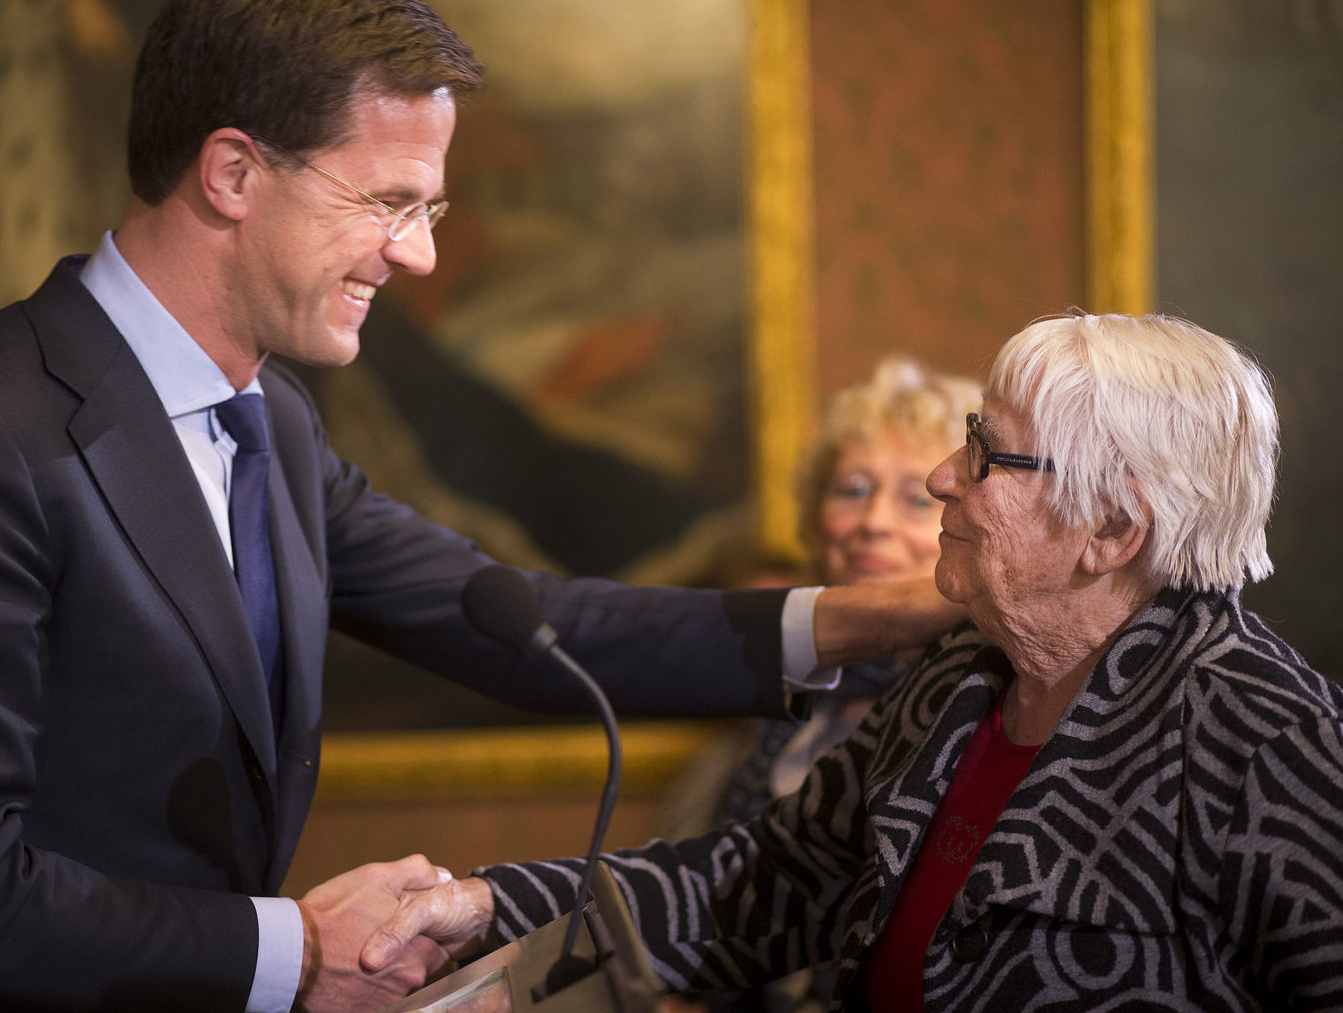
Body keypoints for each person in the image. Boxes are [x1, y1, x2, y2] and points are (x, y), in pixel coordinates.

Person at [0, 0, 962, 1011]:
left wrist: (877, 616)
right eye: (389, 202)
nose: (417, 257)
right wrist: (298, 951)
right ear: (233, 174)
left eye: (431, 212)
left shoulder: (277, 421)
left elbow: (518, 621)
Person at [376, 313, 1343, 1010]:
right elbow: (764, 884)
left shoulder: (1268, 738)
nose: (942, 477)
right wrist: (492, 904)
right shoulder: (961, 678)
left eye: (988, 454)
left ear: (1112, 529)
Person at [669, 357, 980, 1013]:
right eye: (852, 489)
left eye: (916, 498)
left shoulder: (986, 697)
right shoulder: (792, 696)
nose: (874, 521)